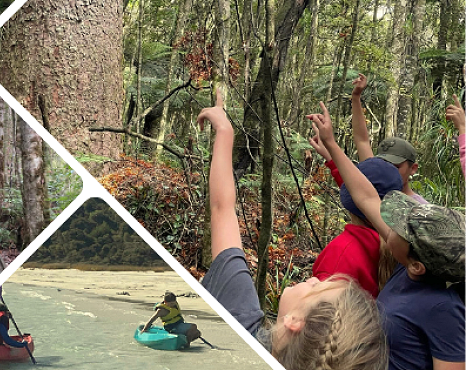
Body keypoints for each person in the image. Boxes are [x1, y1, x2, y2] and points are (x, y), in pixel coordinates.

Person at [199, 94, 387, 369]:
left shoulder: (240, 326)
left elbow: (221, 209)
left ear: (295, 321)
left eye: (318, 284)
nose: (314, 278)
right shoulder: (384, 246)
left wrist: (224, 131)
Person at [309, 101, 464, 370]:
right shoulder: (407, 268)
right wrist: (332, 145)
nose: (393, 223)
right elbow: (366, 196)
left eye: (401, 227)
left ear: (417, 264)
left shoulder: (443, 309)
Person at [307, 131, 403, 296]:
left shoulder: (341, 253)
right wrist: (331, 159)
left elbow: (320, 313)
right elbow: (363, 195)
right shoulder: (402, 245)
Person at [314, 74, 427, 203]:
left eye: (396, 167)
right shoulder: (375, 188)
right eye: (383, 164)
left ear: (413, 169)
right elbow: (362, 140)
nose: (387, 171)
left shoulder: (419, 208)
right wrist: (356, 98)